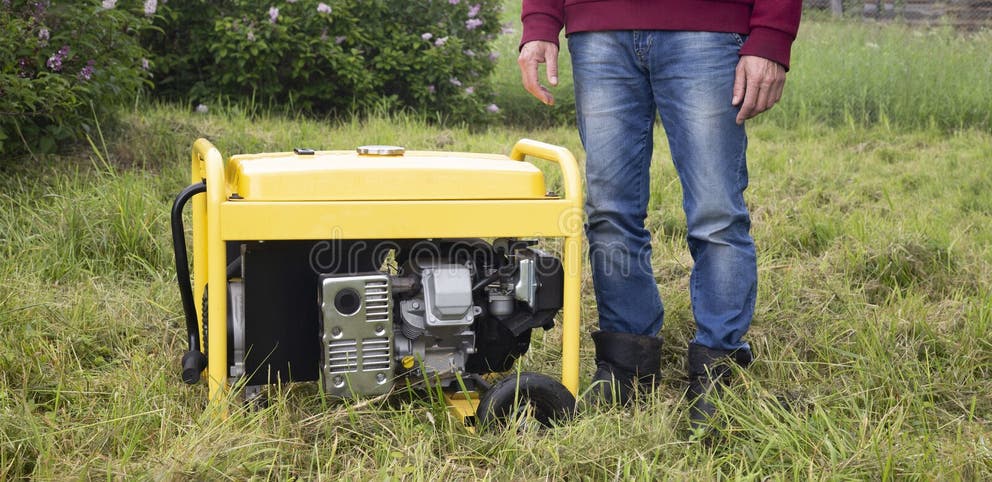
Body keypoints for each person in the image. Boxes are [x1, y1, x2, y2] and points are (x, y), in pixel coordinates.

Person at [517, 1, 801, 430]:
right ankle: (626, 364)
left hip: (706, 28)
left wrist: (772, 37)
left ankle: (718, 368)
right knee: (608, 212)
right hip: (599, 29)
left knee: (716, 213)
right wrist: (540, 21)